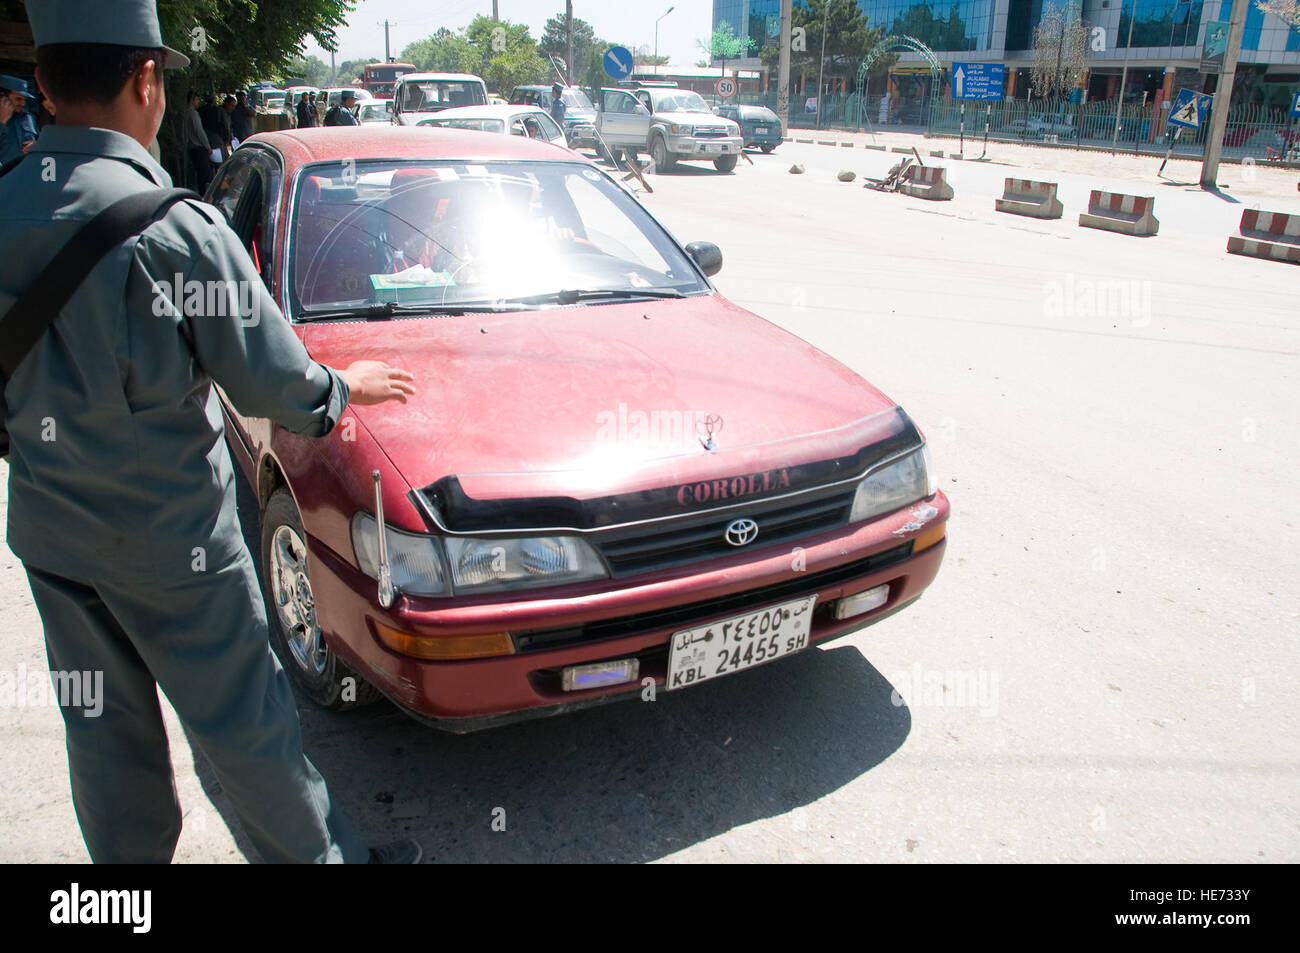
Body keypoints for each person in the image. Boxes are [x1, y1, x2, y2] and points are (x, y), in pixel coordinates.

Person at [2, 0, 421, 864]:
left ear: (42, 83)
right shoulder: (175, 230)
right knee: (245, 728)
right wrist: (348, 389)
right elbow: (269, 379)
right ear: (147, 79)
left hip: (51, 533)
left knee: (102, 737)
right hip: (174, 546)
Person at [0, 75, 38, 164]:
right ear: (2, 97)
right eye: (18, 99)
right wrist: (2, 122)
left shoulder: (27, 117)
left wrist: (36, 146)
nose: (23, 104)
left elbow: (37, 140)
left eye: (25, 99)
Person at [182, 89, 213, 193]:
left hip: (190, 146)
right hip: (198, 147)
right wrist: (207, 146)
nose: (198, 102)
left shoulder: (184, 113)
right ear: (192, 100)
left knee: (199, 174)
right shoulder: (193, 114)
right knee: (206, 175)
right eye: (197, 100)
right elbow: (199, 131)